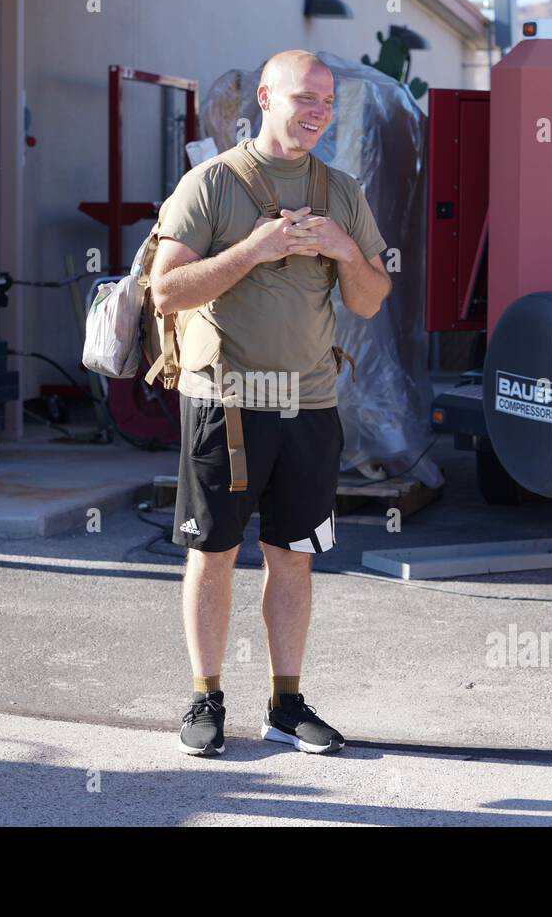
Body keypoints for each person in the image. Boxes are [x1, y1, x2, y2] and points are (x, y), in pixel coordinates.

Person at [150, 50, 391, 756]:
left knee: (294, 555)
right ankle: (205, 696)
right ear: (264, 96)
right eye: (304, 98)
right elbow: (167, 291)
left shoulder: (340, 190)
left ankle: (287, 704)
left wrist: (347, 249)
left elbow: (371, 301)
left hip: (311, 405)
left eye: (327, 101)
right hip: (224, 403)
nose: (318, 110)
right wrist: (252, 251)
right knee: (214, 553)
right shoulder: (212, 183)